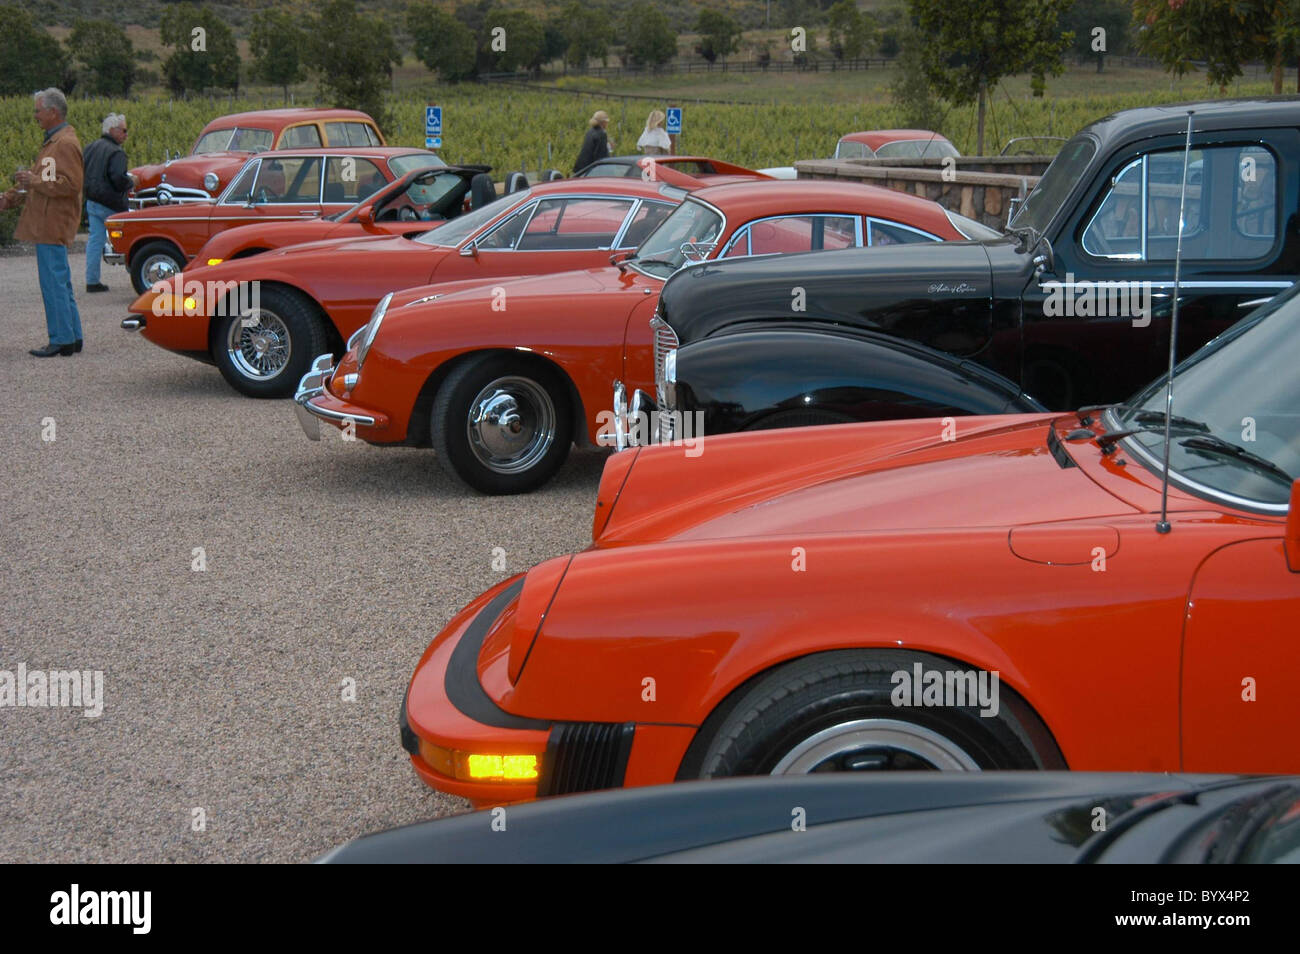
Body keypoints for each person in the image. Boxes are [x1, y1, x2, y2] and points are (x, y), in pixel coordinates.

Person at [0, 88, 85, 357]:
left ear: (52, 112)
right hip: (49, 223)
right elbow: (46, 183)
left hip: (52, 224)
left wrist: (32, 181)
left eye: (38, 110)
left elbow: (70, 186)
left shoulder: (65, 144)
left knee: (53, 283)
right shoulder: (55, 142)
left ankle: (60, 339)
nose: (35, 115)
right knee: (60, 282)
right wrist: (10, 197)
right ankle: (72, 337)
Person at [82, 112, 132, 293]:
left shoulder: (90, 147)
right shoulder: (116, 152)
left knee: (95, 240)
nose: (126, 134)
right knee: (130, 237)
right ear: (113, 130)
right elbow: (118, 178)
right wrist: (131, 183)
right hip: (111, 204)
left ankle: (92, 280)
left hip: (92, 200)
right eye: (124, 130)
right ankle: (138, 273)